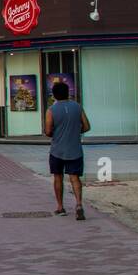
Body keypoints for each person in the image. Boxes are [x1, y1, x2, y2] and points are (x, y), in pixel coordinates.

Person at [44, 80, 90, 219]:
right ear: (68, 93)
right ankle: (79, 204)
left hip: (57, 149)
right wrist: (76, 130)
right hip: (75, 148)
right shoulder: (77, 107)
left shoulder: (51, 110)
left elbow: (48, 131)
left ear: (54, 95)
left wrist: (55, 133)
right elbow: (87, 126)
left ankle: (60, 207)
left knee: (58, 177)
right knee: (74, 178)